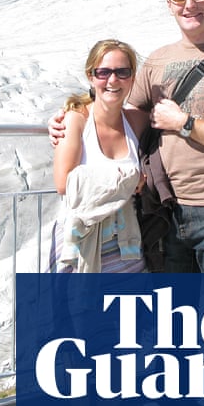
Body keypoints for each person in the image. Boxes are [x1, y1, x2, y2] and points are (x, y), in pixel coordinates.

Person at [51, 0, 204, 273]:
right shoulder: (156, 61)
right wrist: (72, 115)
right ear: (170, 5)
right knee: (175, 316)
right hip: (165, 210)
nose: (189, 5)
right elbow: (120, 113)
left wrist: (184, 123)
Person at [50, 38, 146, 274]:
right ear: (91, 76)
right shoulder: (77, 119)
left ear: (133, 77)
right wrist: (129, 178)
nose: (113, 80)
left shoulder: (137, 121)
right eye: (103, 72)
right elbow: (64, 182)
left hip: (126, 246)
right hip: (80, 241)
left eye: (122, 72)